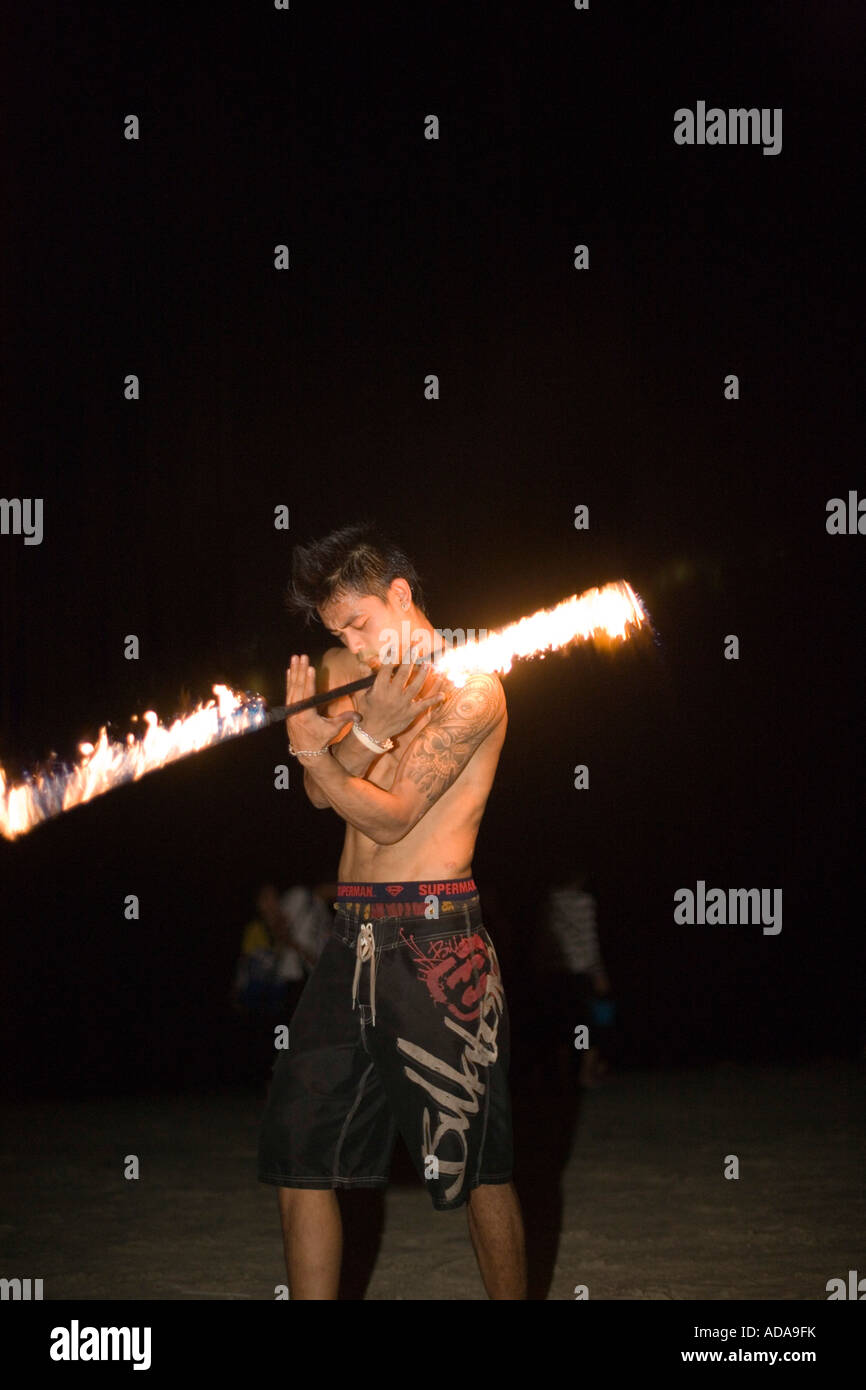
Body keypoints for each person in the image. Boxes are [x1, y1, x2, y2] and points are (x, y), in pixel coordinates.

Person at [257, 523, 527, 1299]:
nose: (348, 643)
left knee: (479, 1170)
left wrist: (318, 749)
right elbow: (318, 792)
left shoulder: (473, 688)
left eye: (358, 622)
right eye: (335, 631)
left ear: (400, 595)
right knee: (301, 1157)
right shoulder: (351, 669)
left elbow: (391, 815)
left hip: (436, 943)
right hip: (349, 941)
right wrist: (361, 729)